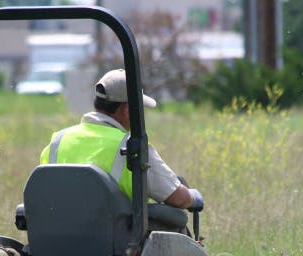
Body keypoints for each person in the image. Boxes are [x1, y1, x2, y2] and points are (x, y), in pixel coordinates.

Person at [39, 69, 204, 211]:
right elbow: (177, 198)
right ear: (126, 109)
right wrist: (192, 196)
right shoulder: (133, 148)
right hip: (112, 245)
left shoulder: (57, 142)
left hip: (56, 243)